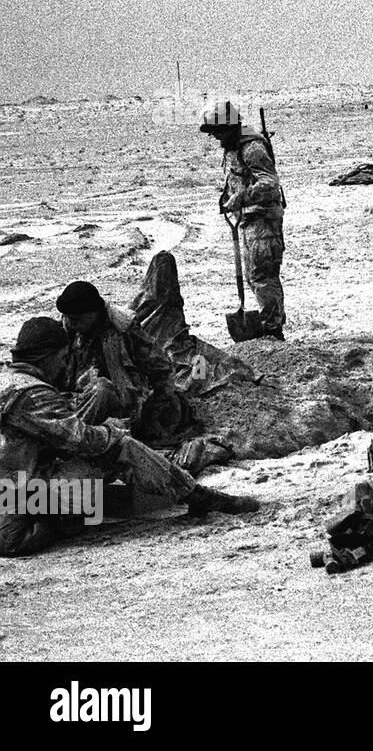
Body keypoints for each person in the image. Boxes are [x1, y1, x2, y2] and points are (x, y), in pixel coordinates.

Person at [0, 318, 257, 557]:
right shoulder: (31, 393)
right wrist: (113, 433)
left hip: (12, 485)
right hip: (17, 498)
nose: (64, 364)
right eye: (62, 357)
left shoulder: (7, 381)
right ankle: (196, 495)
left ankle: (192, 494)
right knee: (118, 448)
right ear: (47, 356)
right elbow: (80, 439)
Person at [56, 280, 188, 447]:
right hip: (76, 399)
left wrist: (157, 409)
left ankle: (69, 442)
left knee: (101, 389)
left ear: (93, 313)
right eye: (68, 318)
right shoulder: (67, 326)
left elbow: (160, 368)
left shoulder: (124, 329)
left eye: (76, 319)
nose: (71, 324)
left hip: (119, 402)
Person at [201, 99, 287, 339]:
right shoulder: (233, 148)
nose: (217, 138)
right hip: (247, 220)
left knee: (262, 275)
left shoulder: (252, 148)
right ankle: (269, 321)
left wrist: (242, 197)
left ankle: (273, 329)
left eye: (218, 131)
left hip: (263, 220)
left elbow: (270, 183)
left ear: (230, 126)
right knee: (252, 276)